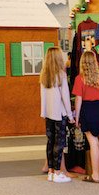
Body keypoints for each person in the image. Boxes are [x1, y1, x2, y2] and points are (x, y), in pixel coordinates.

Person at [72, 50, 99, 183]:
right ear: (95, 62)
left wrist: (77, 117)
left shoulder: (80, 78)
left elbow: (78, 99)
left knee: (93, 143)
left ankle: (95, 175)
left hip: (88, 110)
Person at [39, 45, 73, 183]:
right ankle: (58, 173)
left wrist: (44, 112)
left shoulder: (43, 75)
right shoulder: (61, 75)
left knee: (50, 142)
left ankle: (51, 171)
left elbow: (43, 97)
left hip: (48, 114)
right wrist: (70, 116)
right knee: (59, 143)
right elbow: (65, 97)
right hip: (59, 114)